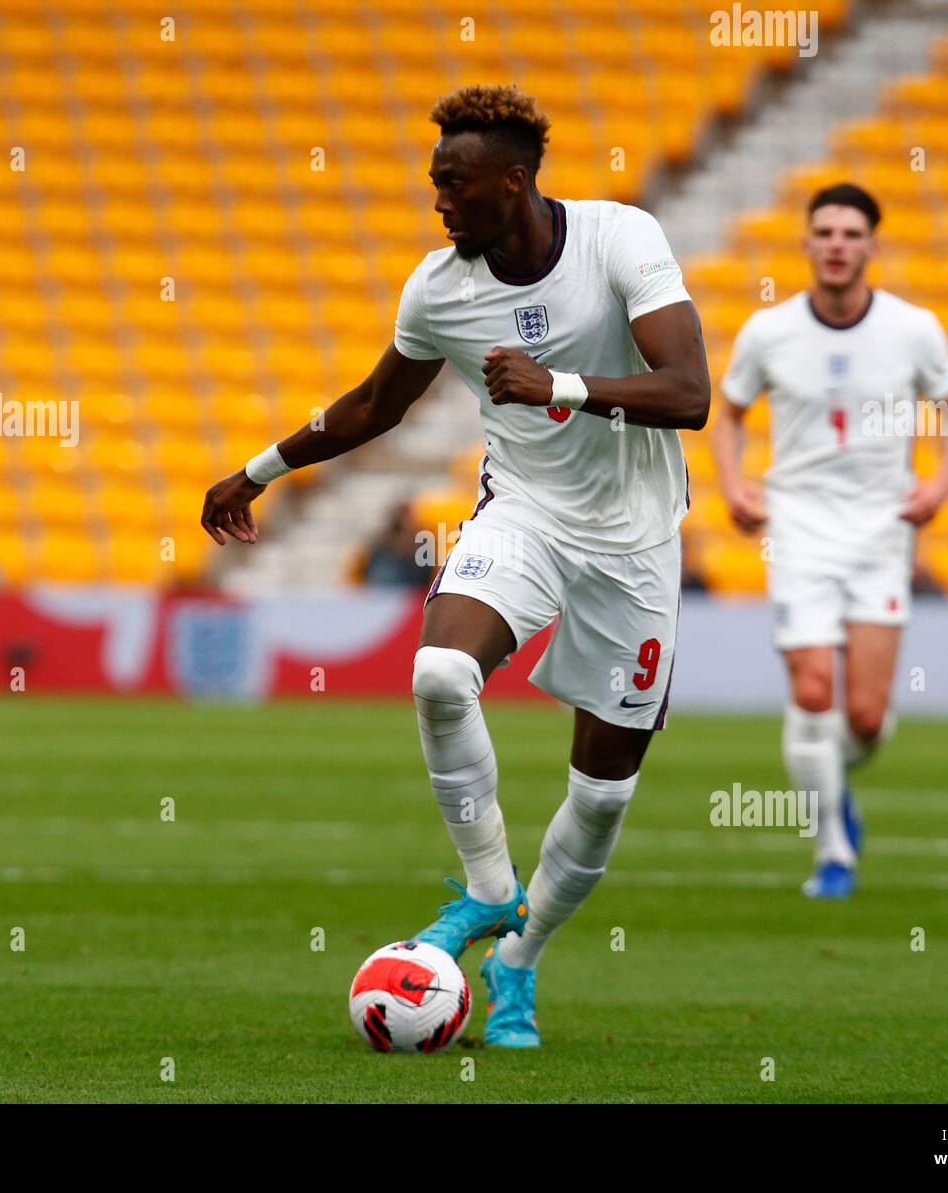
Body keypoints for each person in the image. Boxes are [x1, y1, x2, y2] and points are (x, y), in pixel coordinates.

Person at [202, 83, 709, 1047]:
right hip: (523, 513)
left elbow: (689, 393)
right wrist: (258, 470)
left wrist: (559, 385)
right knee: (440, 672)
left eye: (454, 184)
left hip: (636, 540)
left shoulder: (619, 238)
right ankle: (487, 886)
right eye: (434, 181)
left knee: (602, 797)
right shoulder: (439, 287)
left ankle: (518, 958)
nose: (437, 201)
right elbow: (374, 404)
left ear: (512, 183)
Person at [712, 182, 948, 899]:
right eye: (825, 232)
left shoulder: (913, 329)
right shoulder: (769, 331)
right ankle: (833, 852)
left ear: (872, 246)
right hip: (797, 526)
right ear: (806, 242)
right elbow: (728, 411)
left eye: (851, 234)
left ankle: (827, 774)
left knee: (864, 717)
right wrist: (733, 483)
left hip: (882, 530)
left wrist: (941, 481)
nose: (836, 245)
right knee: (813, 688)